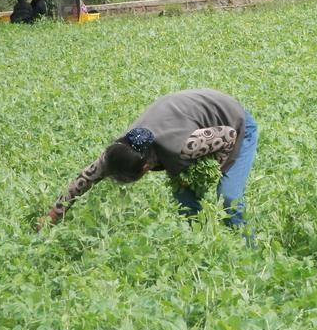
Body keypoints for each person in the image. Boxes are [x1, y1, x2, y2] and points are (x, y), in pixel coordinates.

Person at [40, 89, 259, 245]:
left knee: (229, 197)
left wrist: (213, 172)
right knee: (185, 195)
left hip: (235, 123)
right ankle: (200, 244)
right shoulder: (121, 150)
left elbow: (228, 136)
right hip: (195, 122)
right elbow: (86, 178)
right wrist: (56, 211)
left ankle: (248, 251)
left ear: (145, 168)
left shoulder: (184, 146)